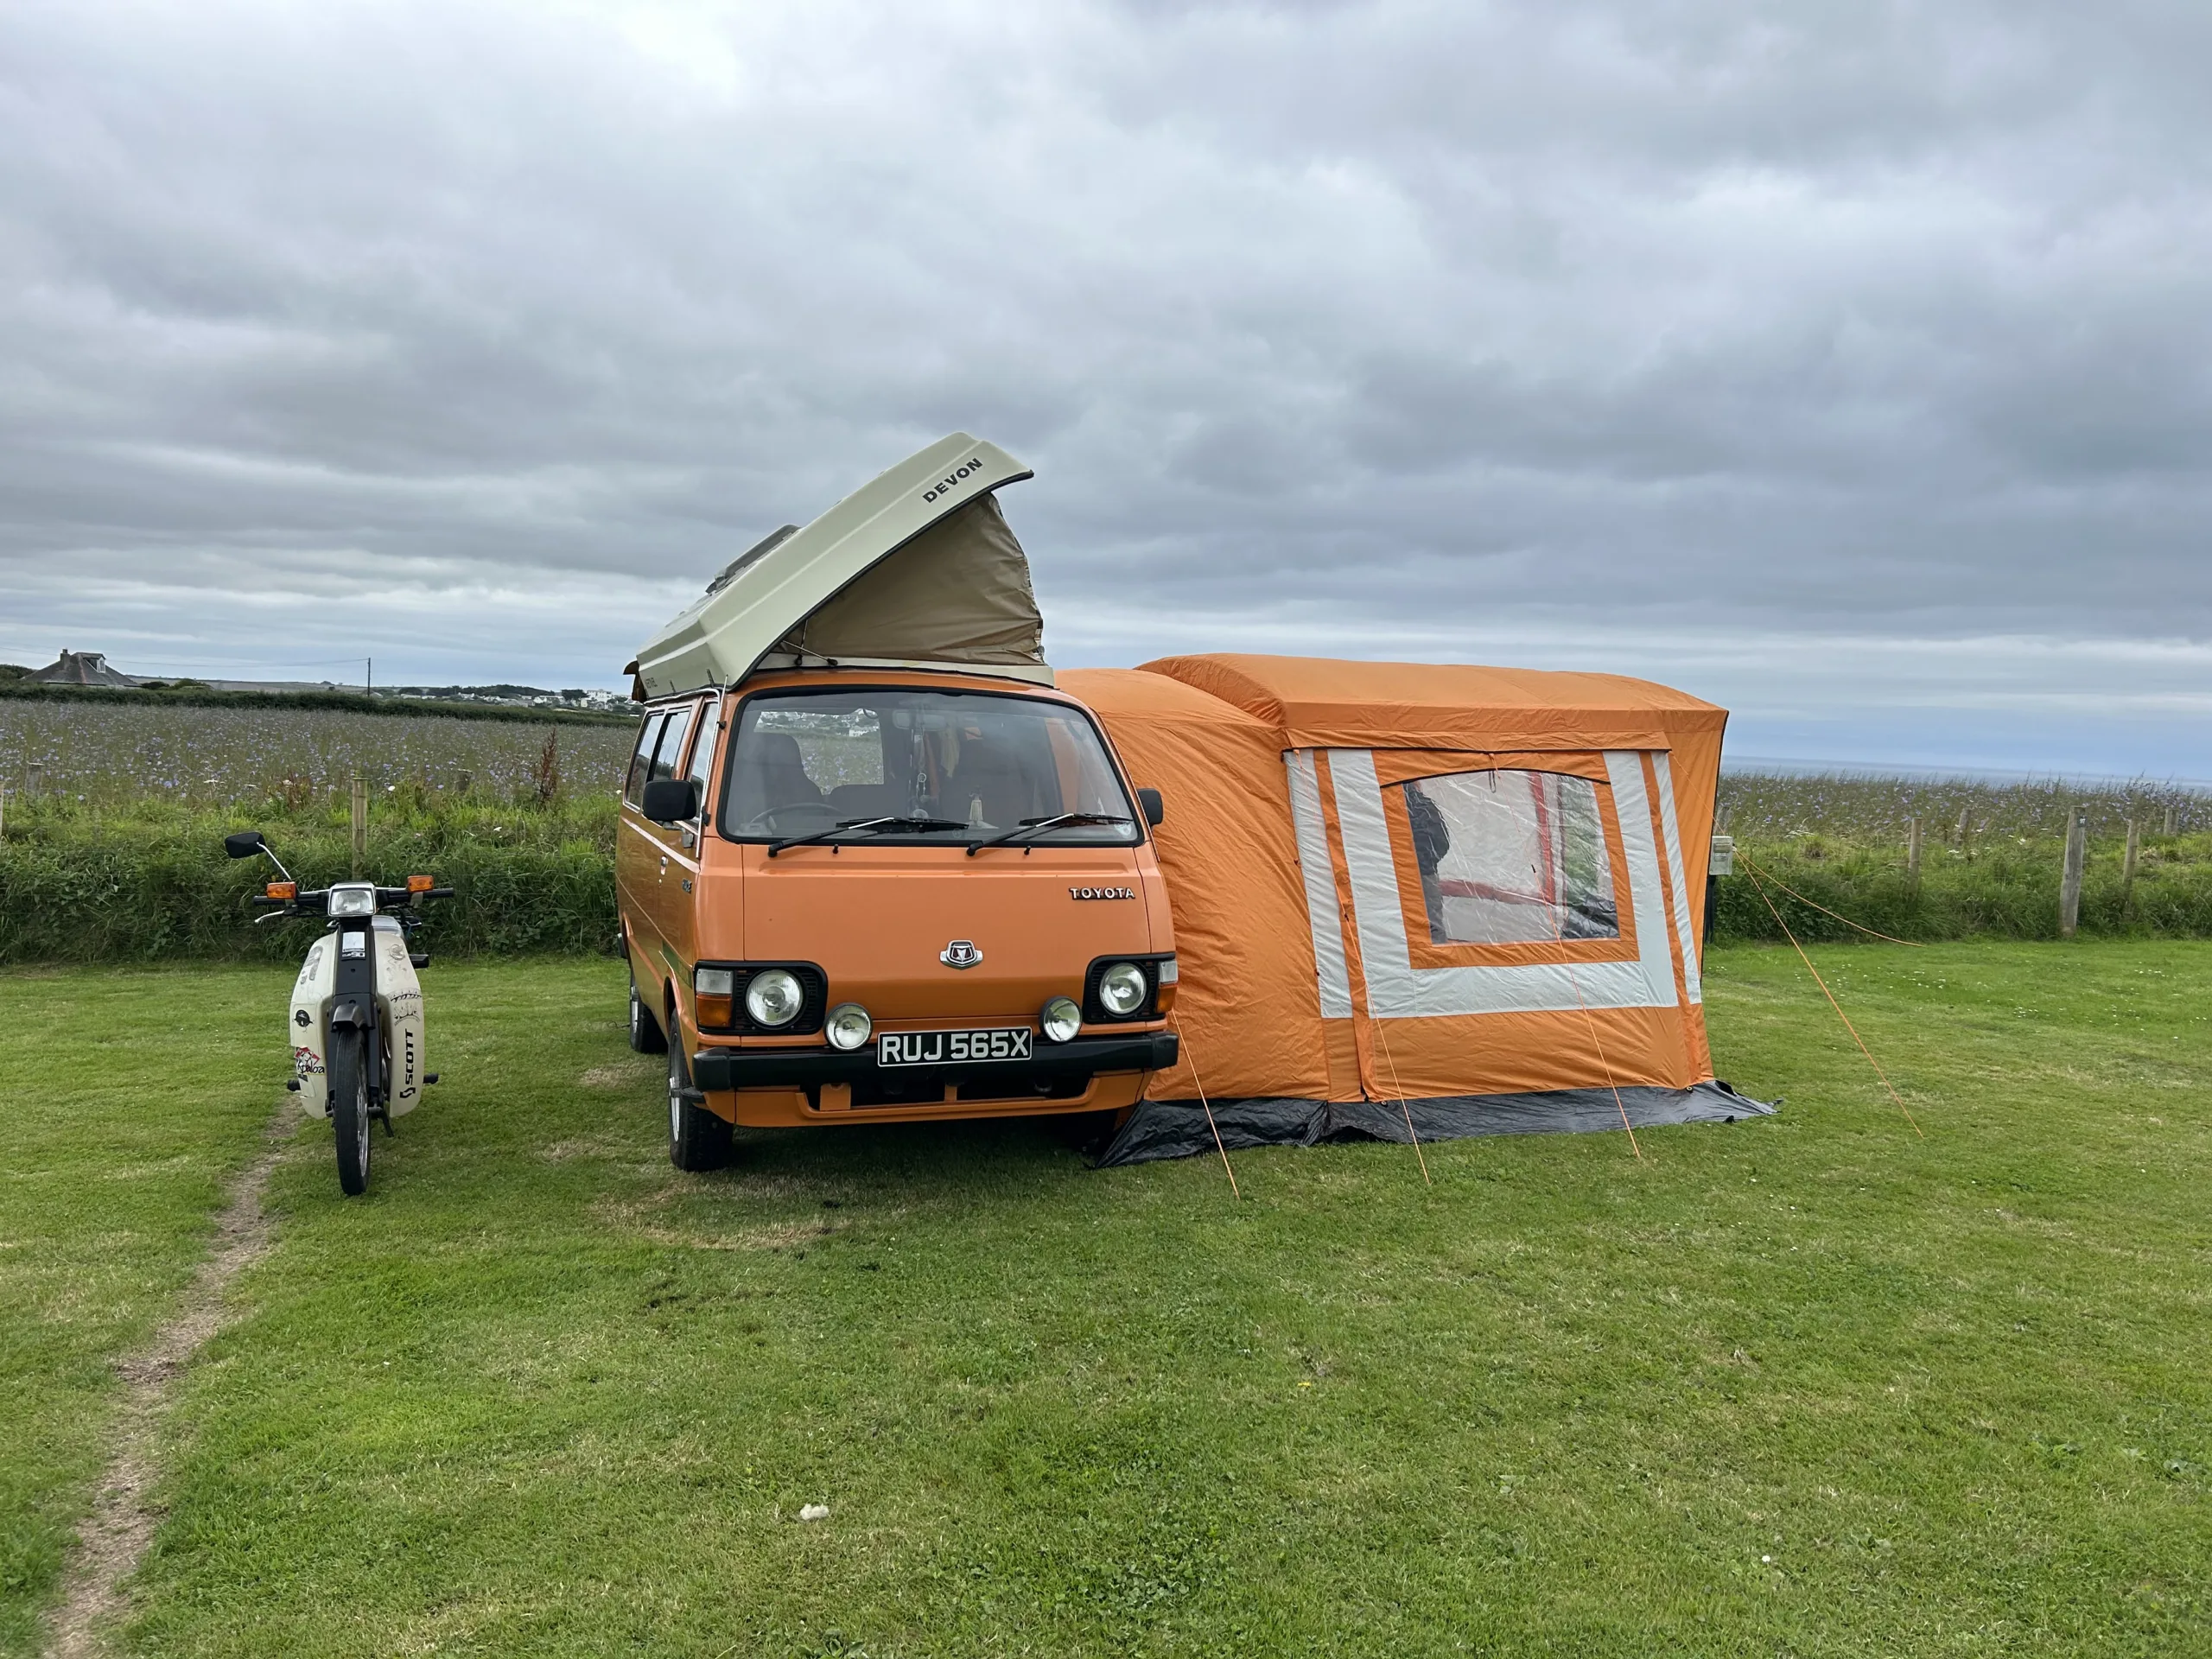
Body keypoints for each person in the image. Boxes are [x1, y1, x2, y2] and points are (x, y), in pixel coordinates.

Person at [1405, 780, 1452, 940]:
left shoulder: (1378, 805)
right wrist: (1426, 863)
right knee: (1433, 928)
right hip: (1427, 875)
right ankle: (1436, 963)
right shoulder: (1423, 805)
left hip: (1396, 877)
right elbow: (1442, 842)